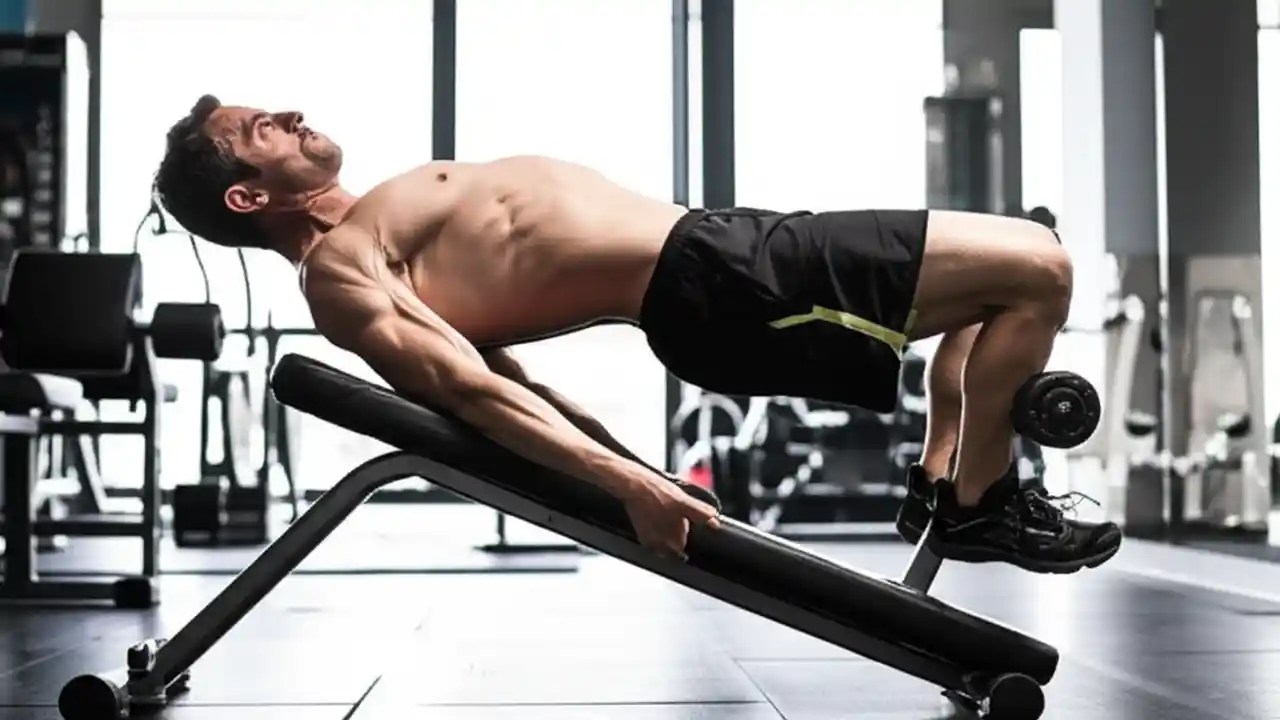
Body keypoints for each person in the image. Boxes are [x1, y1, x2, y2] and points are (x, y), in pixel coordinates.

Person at [153, 96, 1121, 574]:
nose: (285, 115)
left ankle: (949, 485)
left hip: (725, 257)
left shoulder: (374, 227)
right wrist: (629, 488)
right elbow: (470, 392)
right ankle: (978, 502)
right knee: (1036, 265)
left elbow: (512, 379)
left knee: (1014, 277)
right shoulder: (339, 273)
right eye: (260, 131)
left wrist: (633, 464)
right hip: (725, 281)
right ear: (249, 194)